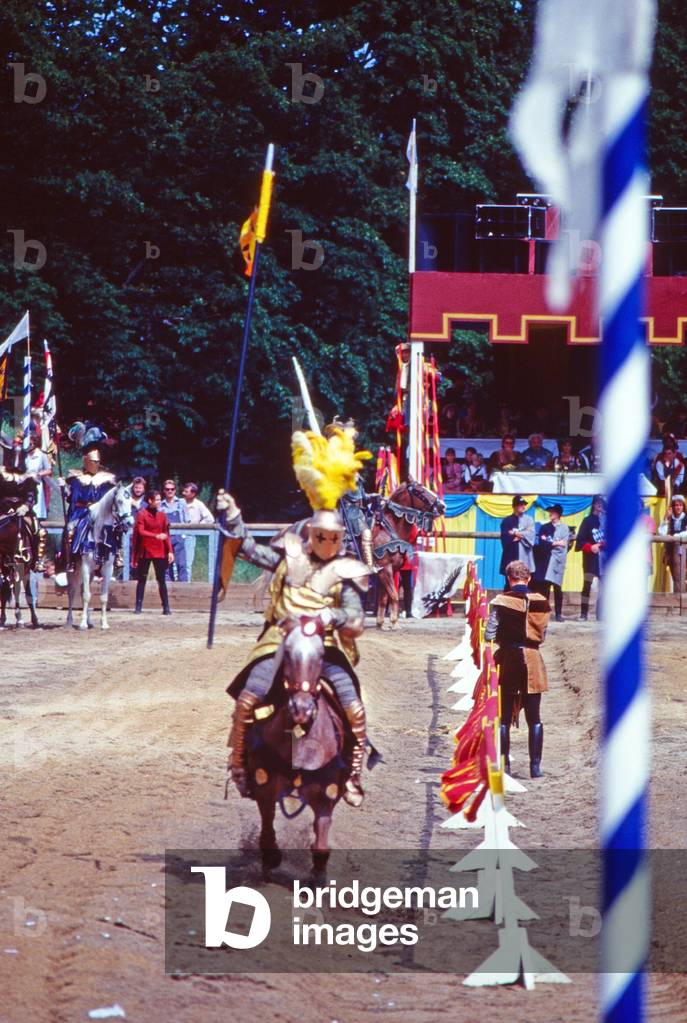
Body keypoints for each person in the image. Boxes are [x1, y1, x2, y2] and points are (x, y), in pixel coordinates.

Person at [221, 427, 372, 806]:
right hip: (280, 641)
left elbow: (356, 621)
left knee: (354, 708)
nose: (326, 545)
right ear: (310, 536)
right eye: (320, 538)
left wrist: (329, 615)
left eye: (332, 539)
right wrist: (234, 517)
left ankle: (352, 773)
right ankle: (239, 764)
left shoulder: (345, 573)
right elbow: (250, 551)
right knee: (246, 700)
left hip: (325, 647)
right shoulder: (291, 561)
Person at [485, 559, 549, 778]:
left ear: (508, 578)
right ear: (528, 578)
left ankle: (505, 767)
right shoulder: (542, 601)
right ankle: (535, 768)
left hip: (509, 659)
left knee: (503, 718)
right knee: (535, 717)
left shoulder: (501, 601)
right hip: (533, 659)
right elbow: (544, 634)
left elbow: (489, 633)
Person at [61, 427, 116, 571]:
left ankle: (115, 556)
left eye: (98, 461)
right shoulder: (75, 476)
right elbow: (70, 497)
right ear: (87, 460)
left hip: (99, 512)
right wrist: (64, 488)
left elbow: (111, 499)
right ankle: (70, 560)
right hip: (80, 511)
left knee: (114, 529)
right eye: (94, 461)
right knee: (70, 531)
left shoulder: (106, 478)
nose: (96, 464)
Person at [132, 489, 173, 614]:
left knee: (161, 579)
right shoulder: (142, 514)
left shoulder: (162, 515)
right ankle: (138, 607)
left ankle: (166, 607)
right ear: (150, 501)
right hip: (145, 550)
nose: (160, 502)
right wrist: (155, 536)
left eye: (160, 499)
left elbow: (166, 534)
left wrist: (170, 551)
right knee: (142, 579)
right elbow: (140, 531)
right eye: (157, 500)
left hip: (160, 551)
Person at [533, 504, 569, 621]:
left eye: (553, 512)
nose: (550, 514)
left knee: (557, 588)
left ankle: (558, 614)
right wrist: (554, 543)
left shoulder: (564, 528)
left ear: (558, 514)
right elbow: (543, 544)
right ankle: (545, 612)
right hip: (546, 561)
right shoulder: (545, 527)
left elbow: (564, 545)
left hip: (558, 561)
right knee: (545, 587)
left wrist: (551, 542)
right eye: (550, 512)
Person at [575, 494, 606, 620]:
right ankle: (583, 613)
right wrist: (590, 547)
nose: (600, 505)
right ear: (594, 504)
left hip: (604, 559)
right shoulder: (587, 521)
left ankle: (601, 614)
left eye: (602, 503)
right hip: (590, 559)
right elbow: (580, 541)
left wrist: (602, 544)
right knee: (587, 585)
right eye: (598, 503)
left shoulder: (608, 520)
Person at [181, 482, 214, 581]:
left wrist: (197, 526)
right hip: (176, 536)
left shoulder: (199, 505)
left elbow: (210, 519)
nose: (183, 493)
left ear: (193, 494)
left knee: (187, 564)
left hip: (190, 536)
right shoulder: (179, 502)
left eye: (186, 491)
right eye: (184, 490)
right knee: (175, 564)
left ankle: (186, 587)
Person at [499, 495, 535, 584]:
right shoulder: (507, 521)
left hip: (524, 554)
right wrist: (515, 537)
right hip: (511, 554)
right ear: (514, 506)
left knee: (524, 580)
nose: (523, 507)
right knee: (509, 581)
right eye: (520, 504)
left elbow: (531, 534)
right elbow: (505, 537)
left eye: (524, 505)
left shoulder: (529, 520)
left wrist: (515, 533)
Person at [161, 479, 189, 581]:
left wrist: (184, 535)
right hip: (165, 539)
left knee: (182, 565)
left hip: (179, 538)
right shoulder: (160, 505)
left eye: (172, 489)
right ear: (164, 490)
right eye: (167, 489)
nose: (170, 491)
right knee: (166, 567)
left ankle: (184, 590)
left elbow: (187, 520)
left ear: (175, 490)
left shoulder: (182, 503)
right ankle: (168, 590)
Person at [658, 494, 687, 591]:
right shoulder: (671, 519)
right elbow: (662, 533)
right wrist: (666, 519)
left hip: (683, 551)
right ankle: (676, 599)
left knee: (682, 576)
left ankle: (681, 599)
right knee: (675, 576)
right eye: (676, 505)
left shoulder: (686, 518)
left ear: (683, 506)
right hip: (671, 551)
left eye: (680, 505)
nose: (678, 507)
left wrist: (675, 537)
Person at [24, 435, 52, 519]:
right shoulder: (24, 454)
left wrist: (39, 474)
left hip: (36, 484)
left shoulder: (41, 455)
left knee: (36, 508)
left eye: (30, 443)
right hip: (24, 483)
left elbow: (49, 470)